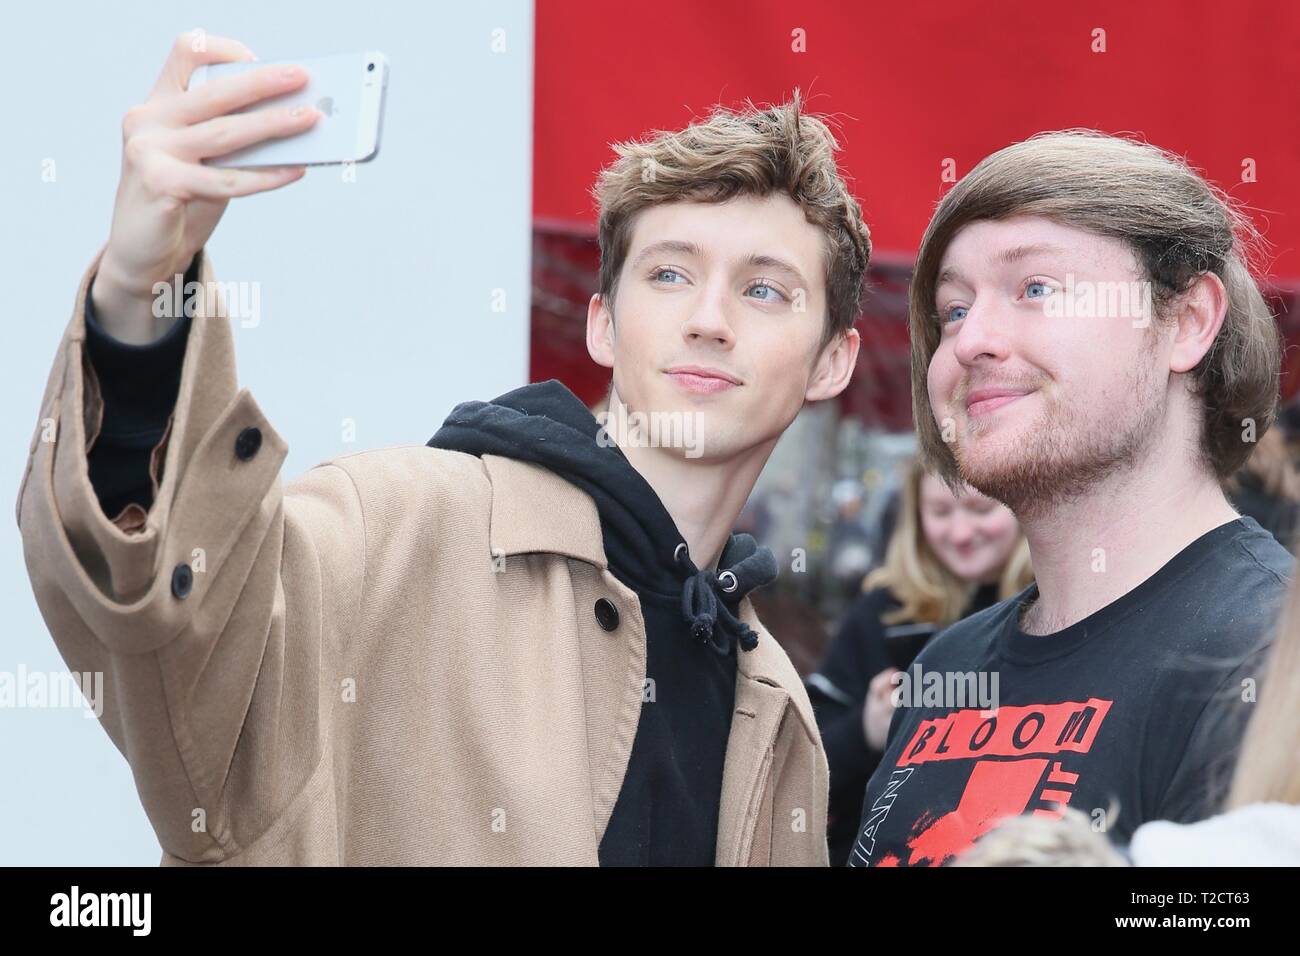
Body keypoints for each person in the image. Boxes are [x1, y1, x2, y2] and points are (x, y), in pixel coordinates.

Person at [17, 33, 872, 865]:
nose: (708, 320)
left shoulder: (778, 709)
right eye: (670, 274)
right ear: (602, 323)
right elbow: (180, 655)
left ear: (833, 359)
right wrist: (138, 301)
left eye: (764, 289)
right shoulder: (397, 523)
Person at [849, 130, 1294, 867]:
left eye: (1035, 289)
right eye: (952, 309)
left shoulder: (1274, 660)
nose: (969, 342)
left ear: (1185, 323)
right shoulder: (945, 665)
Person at [809, 456, 1031, 865]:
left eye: (981, 509)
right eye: (940, 512)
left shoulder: (1051, 607)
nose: (961, 532)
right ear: (915, 514)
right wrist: (867, 731)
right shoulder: (883, 613)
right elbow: (803, 768)